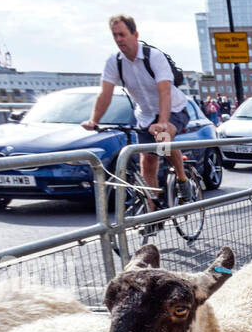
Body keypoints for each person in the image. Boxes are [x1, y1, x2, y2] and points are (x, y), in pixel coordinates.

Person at [83, 14, 193, 211]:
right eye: (115, 35)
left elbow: (164, 91)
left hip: (174, 108)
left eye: (123, 34)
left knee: (162, 138)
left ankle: (182, 179)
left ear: (135, 34)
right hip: (145, 114)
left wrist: (163, 121)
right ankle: (153, 209)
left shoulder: (154, 57)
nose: (119, 40)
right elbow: (105, 94)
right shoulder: (115, 62)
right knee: (147, 159)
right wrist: (94, 120)